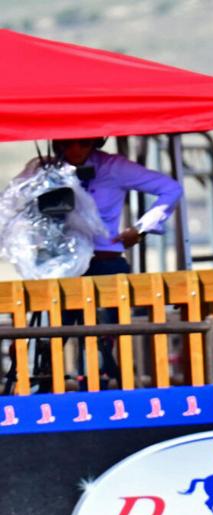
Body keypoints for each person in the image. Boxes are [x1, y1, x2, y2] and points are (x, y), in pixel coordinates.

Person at [27, 138, 182, 381]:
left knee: (101, 343)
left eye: (82, 143)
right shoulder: (45, 168)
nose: (75, 149)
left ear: (94, 143)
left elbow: (171, 188)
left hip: (103, 262)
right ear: (58, 145)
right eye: (67, 144)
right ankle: (35, 400)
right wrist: (35, 177)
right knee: (45, 343)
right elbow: (20, 206)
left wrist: (141, 228)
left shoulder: (112, 167)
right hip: (58, 266)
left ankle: (103, 401)